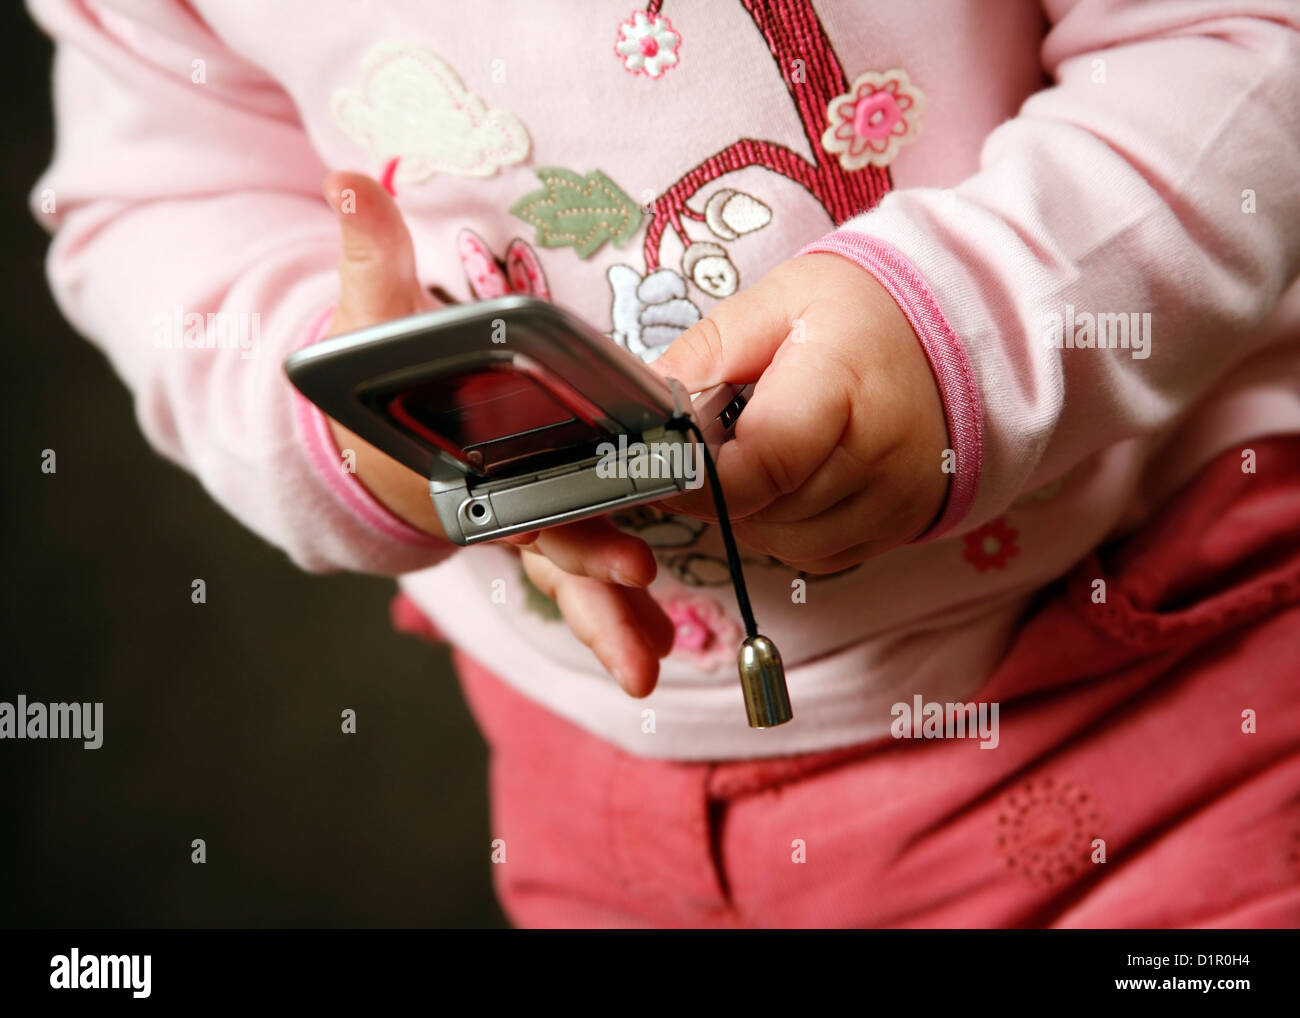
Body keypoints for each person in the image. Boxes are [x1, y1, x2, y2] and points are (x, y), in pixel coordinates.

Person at [29, 0, 1300, 927]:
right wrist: (365, 417)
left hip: (1144, 685)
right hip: (591, 768)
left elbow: (1240, 37)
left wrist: (967, 320)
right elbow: (161, 203)